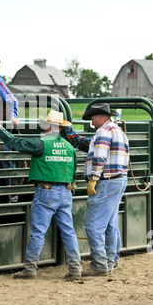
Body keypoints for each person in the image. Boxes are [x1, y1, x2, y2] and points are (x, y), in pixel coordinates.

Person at [0, 110, 82, 281]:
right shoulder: (70, 147)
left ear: (48, 126)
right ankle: (75, 268)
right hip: (66, 192)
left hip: (46, 192)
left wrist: (0, 128)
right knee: (68, 231)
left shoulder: (41, 144)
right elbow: (73, 172)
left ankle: (30, 268)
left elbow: (15, 143)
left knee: (38, 231)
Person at [61, 103, 129, 275]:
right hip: (119, 179)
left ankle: (99, 264)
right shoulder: (118, 131)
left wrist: (93, 178)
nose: (92, 123)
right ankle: (111, 261)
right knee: (110, 223)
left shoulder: (103, 131)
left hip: (106, 181)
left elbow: (99, 156)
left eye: (92, 119)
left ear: (99, 117)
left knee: (93, 223)